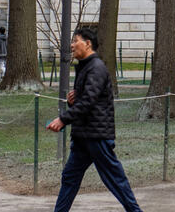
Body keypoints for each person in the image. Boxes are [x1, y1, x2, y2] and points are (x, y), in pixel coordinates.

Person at [46, 27, 142, 212]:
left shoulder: (96, 68)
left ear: (88, 44)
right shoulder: (86, 67)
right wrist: (73, 102)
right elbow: (87, 101)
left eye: (75, 41)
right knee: (70, 177)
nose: (72, 45)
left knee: (115, 180)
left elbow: (88, 102)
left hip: (97, 136)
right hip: (83, 136)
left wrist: (63, 119)